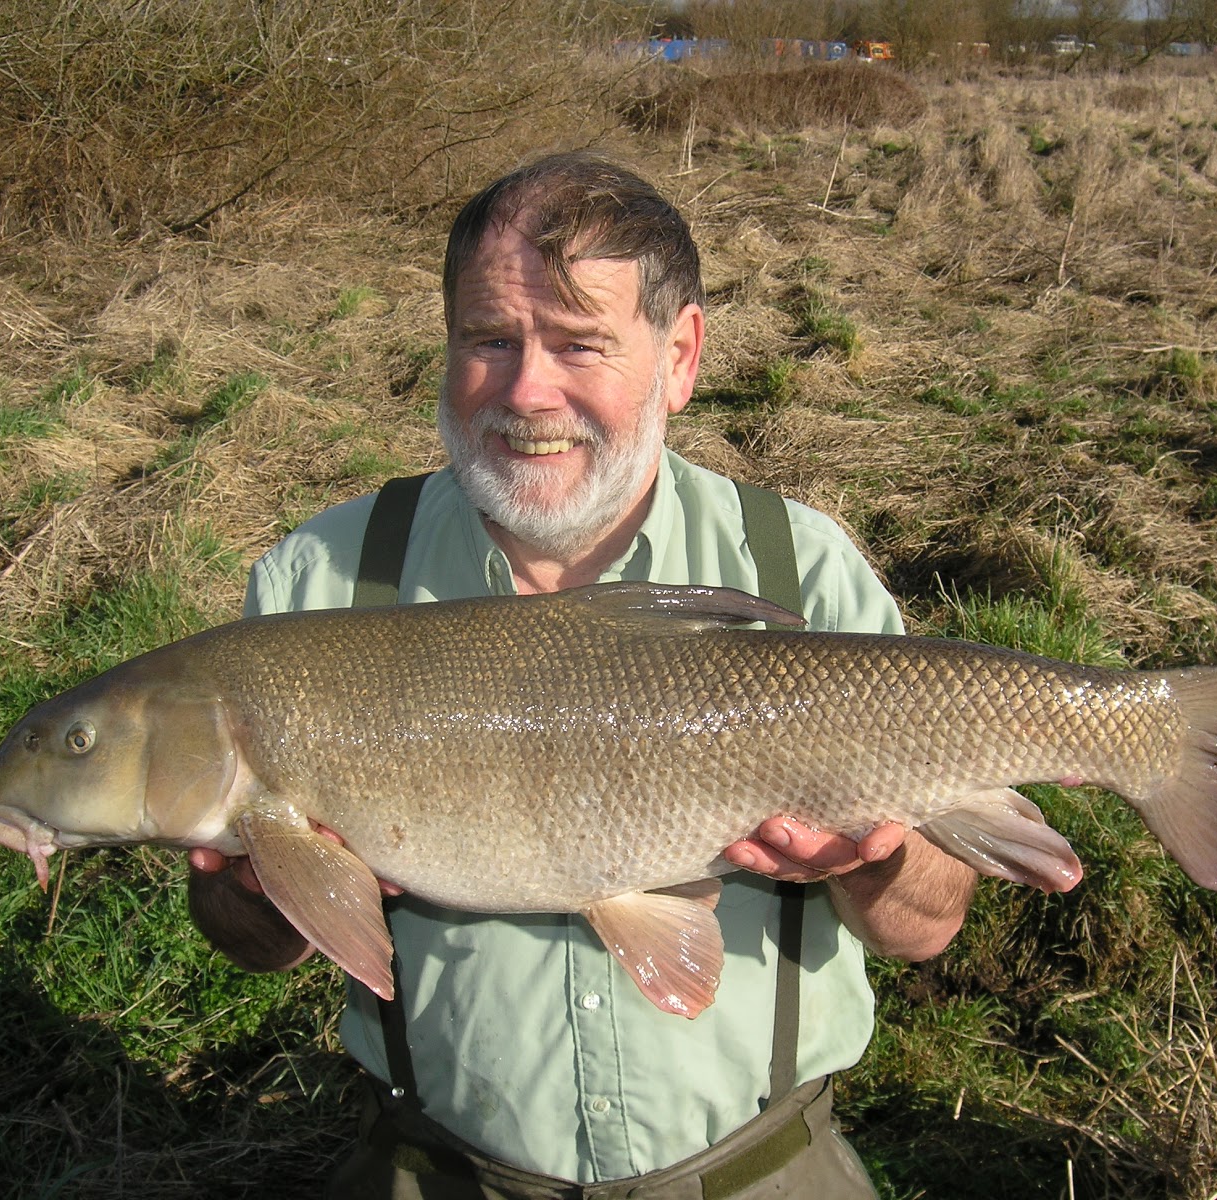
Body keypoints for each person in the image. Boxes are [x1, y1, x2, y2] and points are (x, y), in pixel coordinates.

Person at [187, 152, 977, 1198]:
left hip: (761, 1169)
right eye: (489, 340)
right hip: (441, 1171)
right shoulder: (323, 581)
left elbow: (930, 924)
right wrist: (260, 890)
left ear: (681, 355)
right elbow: (245, 942)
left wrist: (868, 857)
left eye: (578, 343)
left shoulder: (801, 568)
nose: (527, 391)